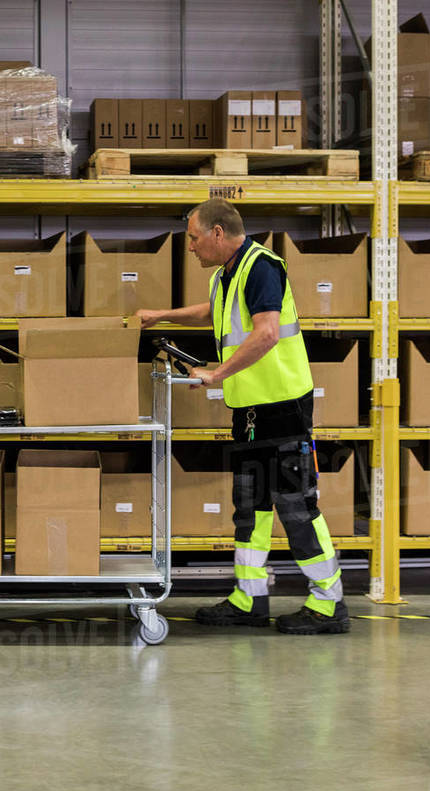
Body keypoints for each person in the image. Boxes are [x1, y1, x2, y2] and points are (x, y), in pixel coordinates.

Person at [137, 199, 349, 635]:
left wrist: (217, 374)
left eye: (194, 238)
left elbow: (267, 332)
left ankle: (329, 602)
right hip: (251, 410)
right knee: (251, 506)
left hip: (283, 407)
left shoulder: (261, 267)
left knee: (296, 506)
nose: (190, 247)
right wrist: (161, 316)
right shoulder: (225, 276)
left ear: (218, 233)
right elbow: (211, 312)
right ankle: (249, 598)